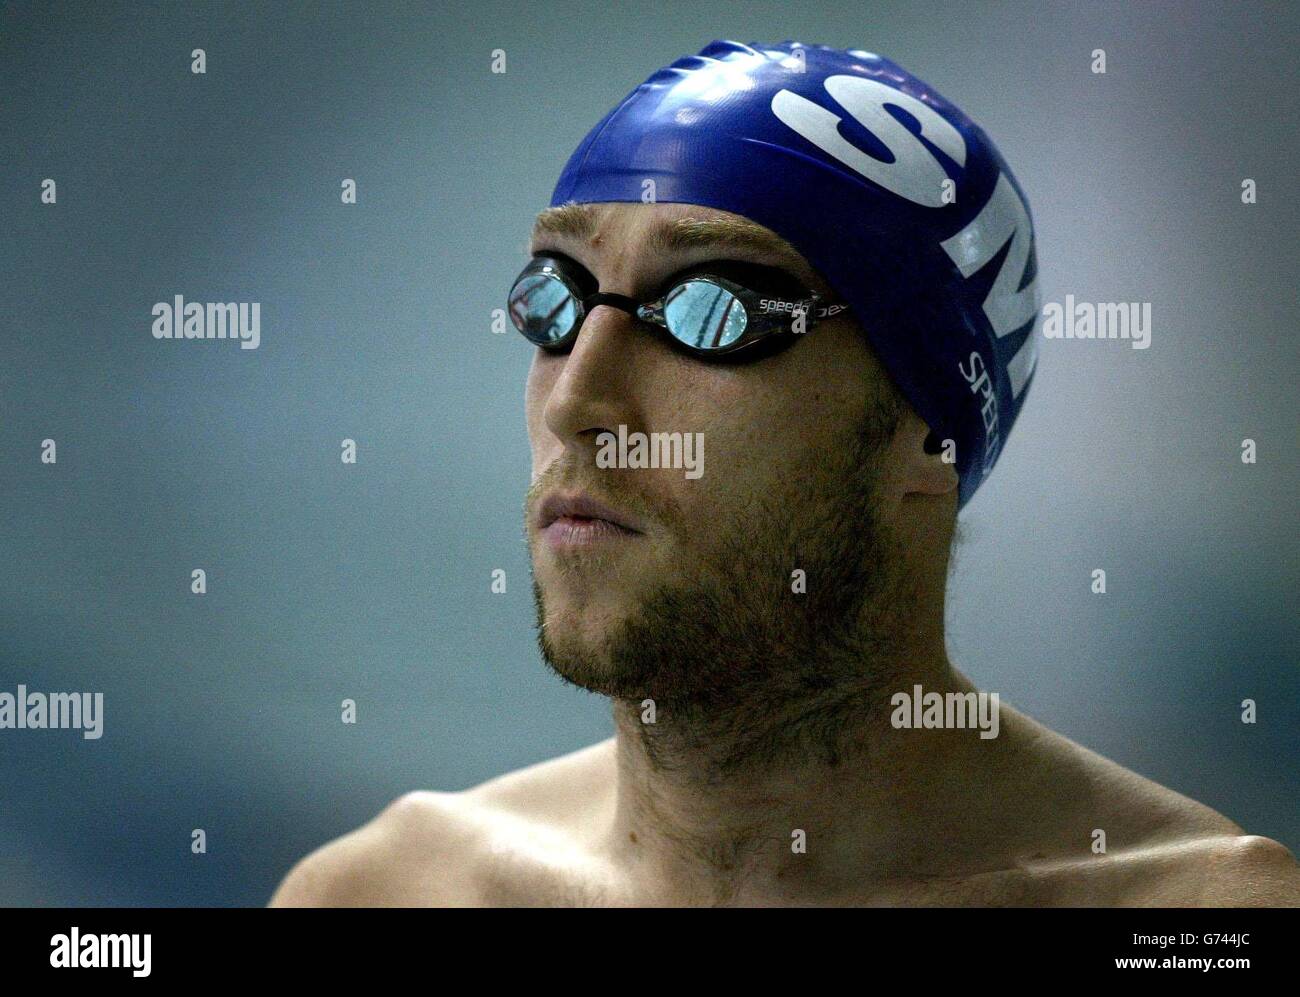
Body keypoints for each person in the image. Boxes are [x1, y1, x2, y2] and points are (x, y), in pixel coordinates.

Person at [271, 40, 1299, 907]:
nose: (576, 403)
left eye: (707, 309)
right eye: (558, 296)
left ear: (923, 433)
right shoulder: (388, 891)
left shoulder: (1193, 920)